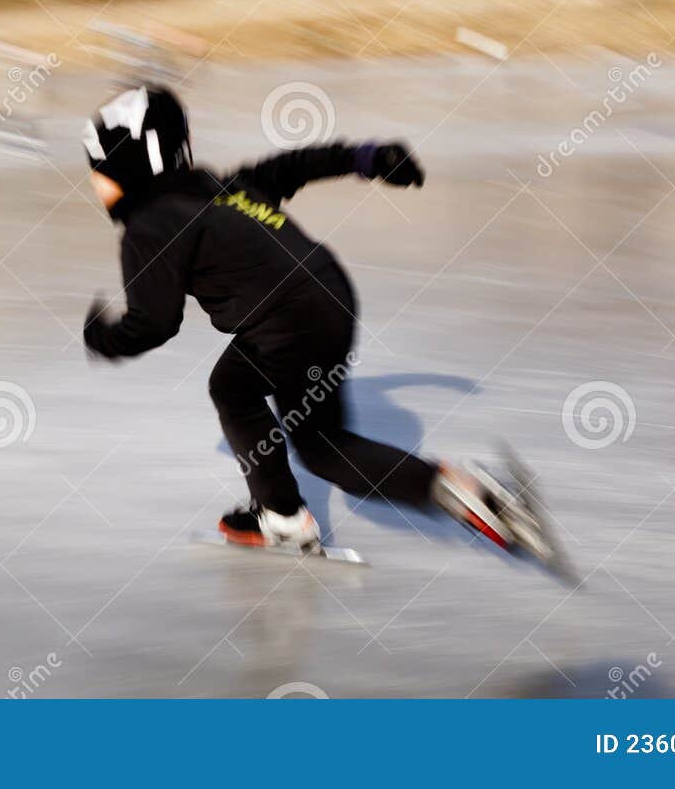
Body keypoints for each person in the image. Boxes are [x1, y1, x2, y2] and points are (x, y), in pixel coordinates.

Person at [80, 84, 518, 551]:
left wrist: (104, 337)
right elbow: (293, 165)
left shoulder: (149, 227)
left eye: (98, 171)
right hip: (328, 293)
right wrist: (366, 157)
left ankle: (445, 495)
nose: (95, 183)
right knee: (235, 386)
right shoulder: (222, 189)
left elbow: (155, 322)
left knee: (322, 447)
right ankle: (287, 511)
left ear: (126, 165)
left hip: (287, 325)